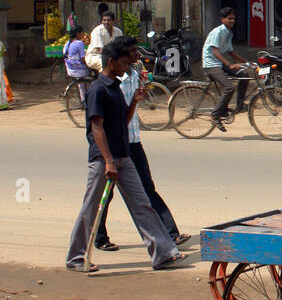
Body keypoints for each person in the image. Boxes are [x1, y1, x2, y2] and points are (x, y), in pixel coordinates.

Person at [64, 36, 185, 274]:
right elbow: (96, 127)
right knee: (91, 208)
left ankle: (162, 253)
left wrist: (134, 103)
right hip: (103, 158)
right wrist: (108, 160)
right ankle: (76, 258)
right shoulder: (98, 90)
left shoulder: (116, 88)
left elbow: (122, 122)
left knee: (142, 204)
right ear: (111, 61)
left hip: (123, 154)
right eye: (123, 62)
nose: (127, 66)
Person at [93, 43, 190, 252]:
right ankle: (97, 237)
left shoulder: (135, 74)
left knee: (146, 188)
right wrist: (108, 158)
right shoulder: (110, 84)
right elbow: (101, 124)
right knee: (105, 194)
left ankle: (169, 234)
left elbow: (128, 113)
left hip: (133, 142)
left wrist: (137, 100)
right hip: (116, 146)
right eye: (132, 53)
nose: (137, 55)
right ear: (120, 58)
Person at [203, 7, 250, 132]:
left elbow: (231, 51)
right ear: (222, 19)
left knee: (244, 74)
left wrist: (247, 62)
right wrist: (230, 65)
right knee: (229, 88)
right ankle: (215, 115)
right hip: (211, 64)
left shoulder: (229, 33)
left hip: (219, 63)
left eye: (233, 19)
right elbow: (215, 51)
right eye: (229, 19)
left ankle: (240, 105)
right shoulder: (217, 32)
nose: (232, 21)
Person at [63, 24, 90, 100]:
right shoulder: (79, 43)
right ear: (78, 33)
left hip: (71, 69)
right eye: (82, 33)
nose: (83, 35)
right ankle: (87, 100)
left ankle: (83, 100)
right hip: (79, 71)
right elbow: (82, 59)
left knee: (81, 86)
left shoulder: (67, 43)